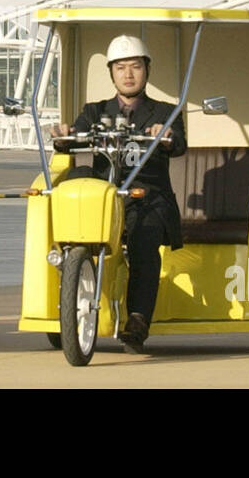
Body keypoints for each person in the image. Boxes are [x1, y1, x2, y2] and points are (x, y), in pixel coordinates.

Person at [51, 34, 187, 353]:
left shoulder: (165, 111)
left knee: (144, 239)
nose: (128, 74)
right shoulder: (96, 111)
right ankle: (67, 300)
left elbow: (179, 144)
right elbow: (71, 138)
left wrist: (165, 134)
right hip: (105, 198)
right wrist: (64, 135)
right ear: (111, 72)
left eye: (135, 67)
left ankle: (138, 318)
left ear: (146, 70)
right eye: (121, 67)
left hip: (148, 196)